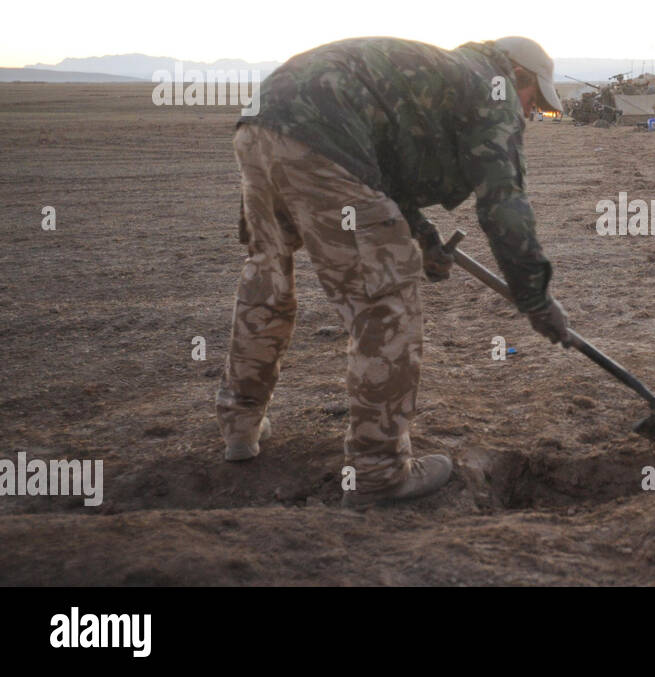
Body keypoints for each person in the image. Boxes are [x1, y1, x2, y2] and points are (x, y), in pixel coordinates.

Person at [217, 36, 571, 509]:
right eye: (535, 101)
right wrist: (536, 298)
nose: (531, 113)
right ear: (519, 75)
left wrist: (424, 241)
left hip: (261, 122)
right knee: (384, 305)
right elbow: (504, 204)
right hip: (323, 137)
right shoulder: (494, 88)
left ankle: (240, 428)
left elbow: (380, 175)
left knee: (267, 276)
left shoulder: (439, 77)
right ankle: (379, 472)